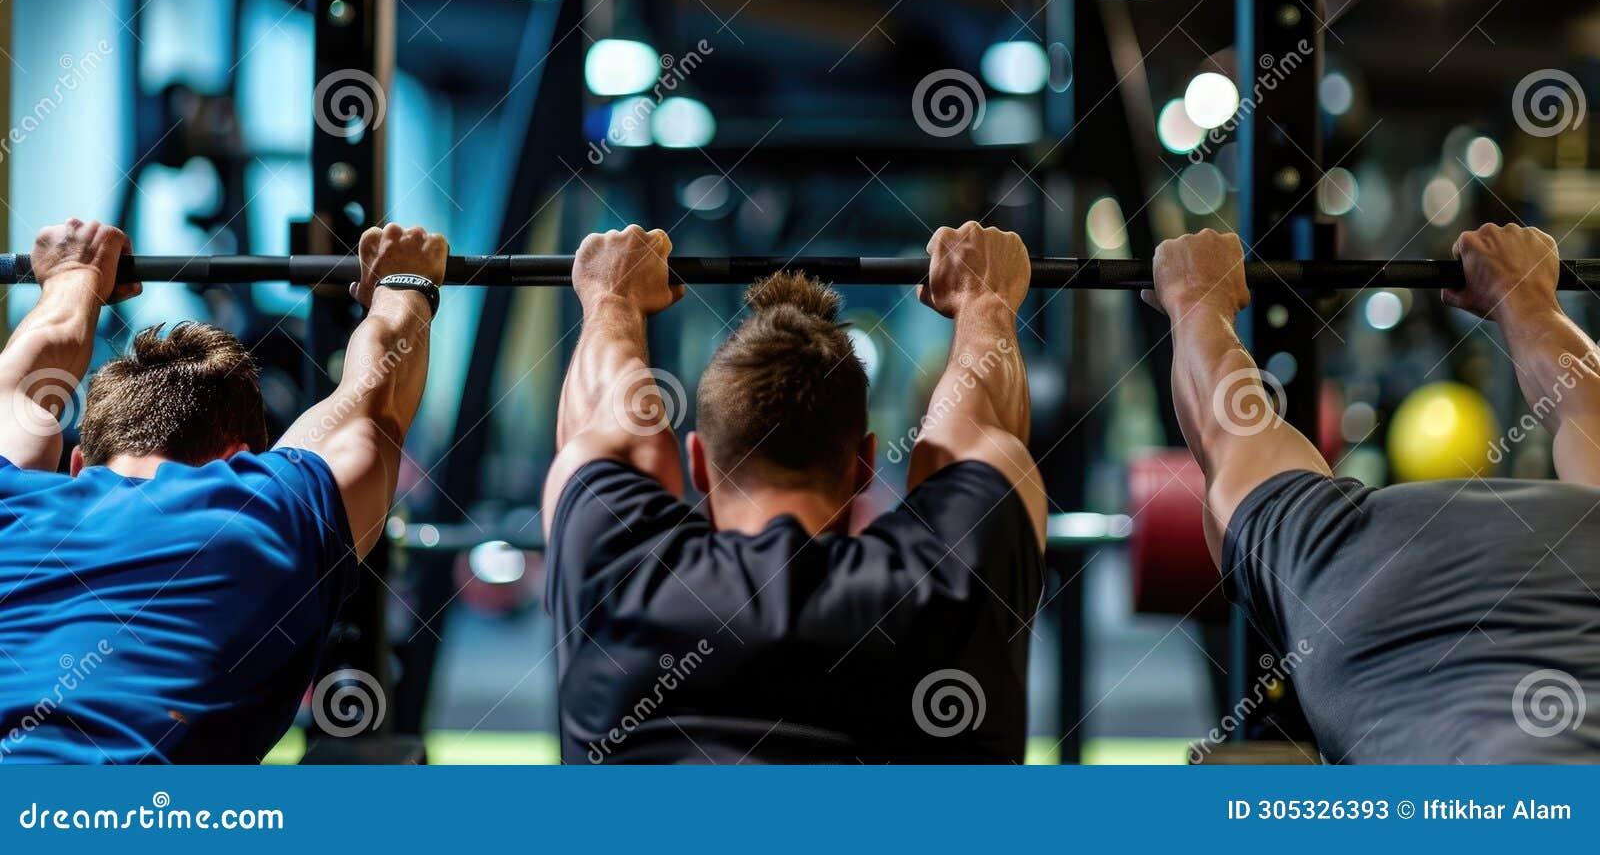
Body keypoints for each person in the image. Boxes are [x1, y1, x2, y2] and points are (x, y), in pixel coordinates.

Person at [543, 222, 1045, 763]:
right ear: (865, 465)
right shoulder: (950, 583)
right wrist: (984, 300)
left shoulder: (621, 571)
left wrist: (613, 297)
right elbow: (979, 429)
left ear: (698, 464)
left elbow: (609, 429)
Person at [1146, 224, 1600, 763]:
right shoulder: (1325, 559)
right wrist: (1196, 300)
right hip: (1365, 587)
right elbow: (1227, 433)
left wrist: (1526, 297)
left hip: (1378, 580)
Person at [0, 218, 446, 763]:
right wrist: (407, 284)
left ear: (77, 466)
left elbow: (18, 389)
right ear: (238, 462)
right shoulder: (268, 511)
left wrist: (73, 277)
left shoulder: (10, 506)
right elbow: (376, 398)